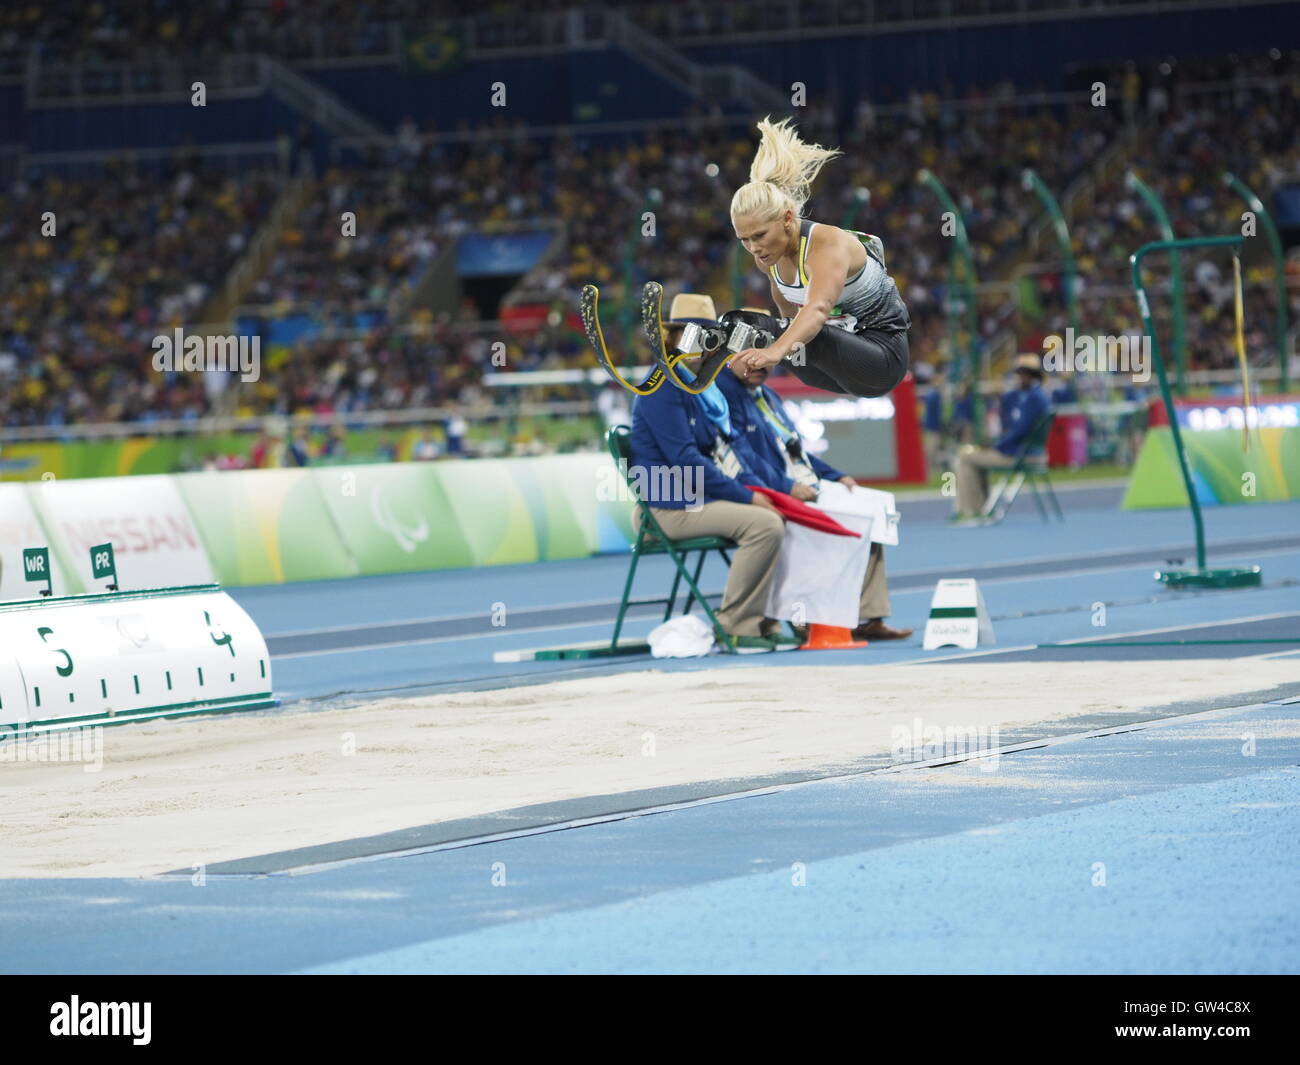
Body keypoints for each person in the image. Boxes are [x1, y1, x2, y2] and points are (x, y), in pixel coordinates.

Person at [630, 293, 798, 651]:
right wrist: (749, 496)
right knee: (764, 524)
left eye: (708, 336)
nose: (702, 346)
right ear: (672, 338)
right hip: (667, 507)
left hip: (695, 499)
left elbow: (724, 454)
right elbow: (687, 462)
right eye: (691, 334)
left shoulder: (699, 388)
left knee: (774, 515)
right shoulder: (662, 385)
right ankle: (735, 623)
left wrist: (765, 490)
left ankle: (764, 619)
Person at [717, 340, 914, 642]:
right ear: (732, 357)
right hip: (770, 492)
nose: (761, 366)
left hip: (800, 485)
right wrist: (787, 487)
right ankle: (805, 615)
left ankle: (869, 616)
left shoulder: (767, 395)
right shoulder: (725, 396)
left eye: (766, 357)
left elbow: (796, 450)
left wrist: (837, 476)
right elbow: (742, 458)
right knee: (832, 522)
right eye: (751, 358)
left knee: (870, 512)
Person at [726, 115, 911, 399]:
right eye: (744, 239)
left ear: (787, 219)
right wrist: (765, 348)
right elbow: (786, 315)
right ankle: (710, 345)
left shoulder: (826, 244)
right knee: (761, 330)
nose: (753, 248)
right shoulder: (767, 257)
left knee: (771, 330)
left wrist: (775, 348)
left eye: (759, 236)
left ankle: (717, 333)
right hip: (838, 371)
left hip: (882, 360)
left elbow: (816, 310)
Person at [950, 353, 1052, 521]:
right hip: (1031, 453)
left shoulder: (1033, 399)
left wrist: (996, 446)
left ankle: (969, 510)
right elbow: (1006, 401)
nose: (1017, 378)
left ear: (1028, 375)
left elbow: (1020, 431)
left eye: (1020, 374)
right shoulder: (1037, 396)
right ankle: (981, 508)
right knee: (977, 458)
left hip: (1023, 455)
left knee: (965, 458)